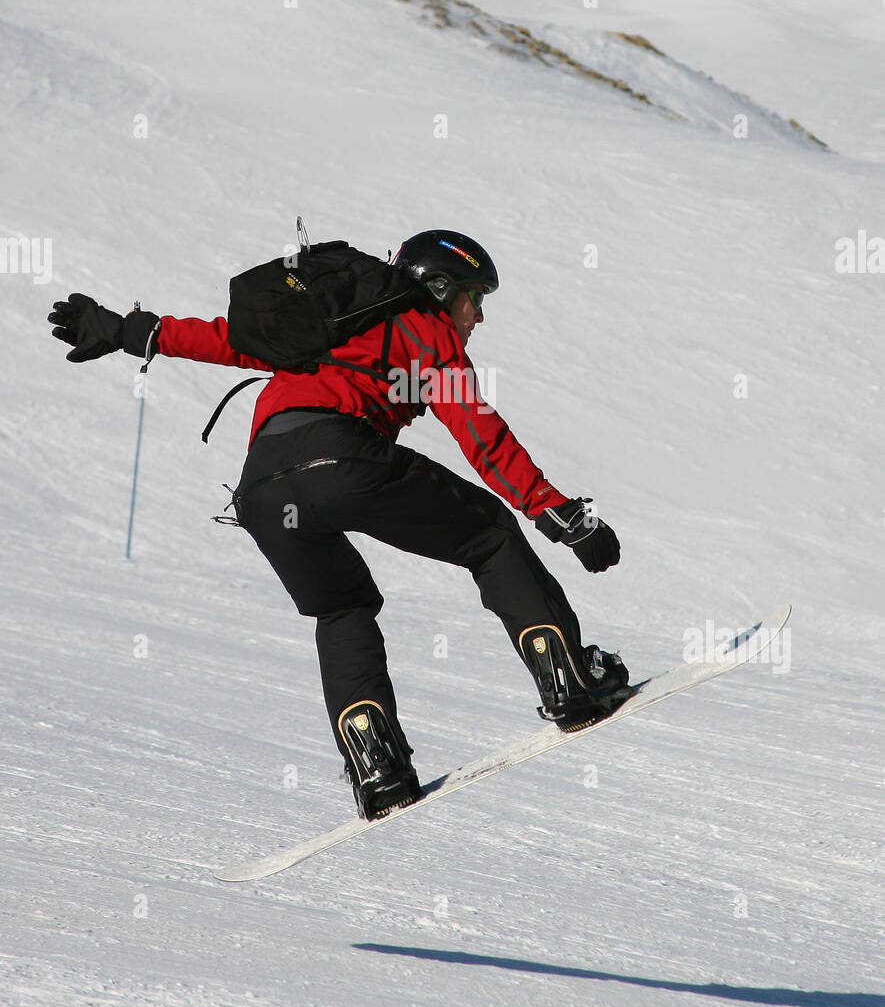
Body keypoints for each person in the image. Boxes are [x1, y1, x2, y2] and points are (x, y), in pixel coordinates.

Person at [47, 229, 630, 820]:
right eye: (475, 298)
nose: (479, 316)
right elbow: (481, 435)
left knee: (341, 607)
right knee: (490, 535)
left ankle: (378, 766)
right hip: (342, 457)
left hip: (263, 488)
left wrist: (125, 330)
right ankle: (566, 676)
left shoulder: (321, 321)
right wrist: (559, 514)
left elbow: (230, 342)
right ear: (440, 288)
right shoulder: (423, 328)